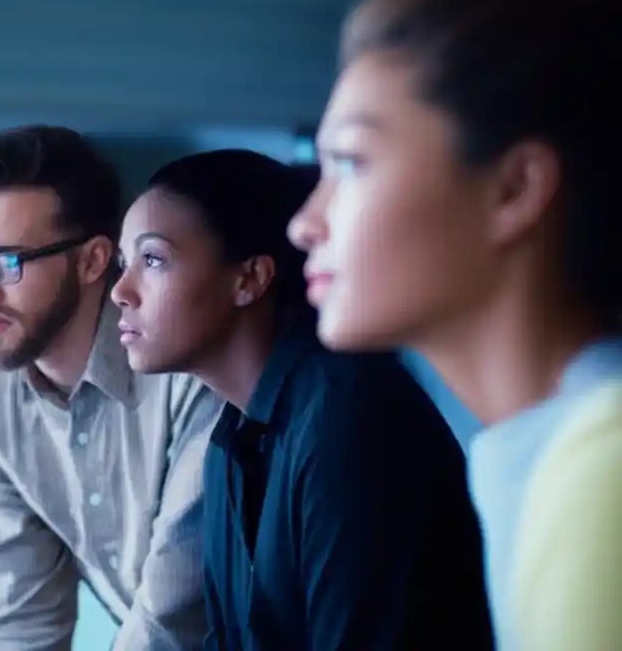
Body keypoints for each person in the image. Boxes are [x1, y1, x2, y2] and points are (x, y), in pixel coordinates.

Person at [287, 0, 622, 650]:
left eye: (351, 161)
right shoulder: (542, 451)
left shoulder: (604, 471)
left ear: (514, 188)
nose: (305, 222)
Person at [112, 150, 492, 649]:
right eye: (125, 263)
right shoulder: (231, 441)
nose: (121, 290)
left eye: (153, 260)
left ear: (249, 279)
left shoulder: (349, 419)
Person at [0, 125, 222, 650]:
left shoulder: (184, 374)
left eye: (6, 263)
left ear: (93, 260)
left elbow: (172, 617)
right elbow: (23, 617)